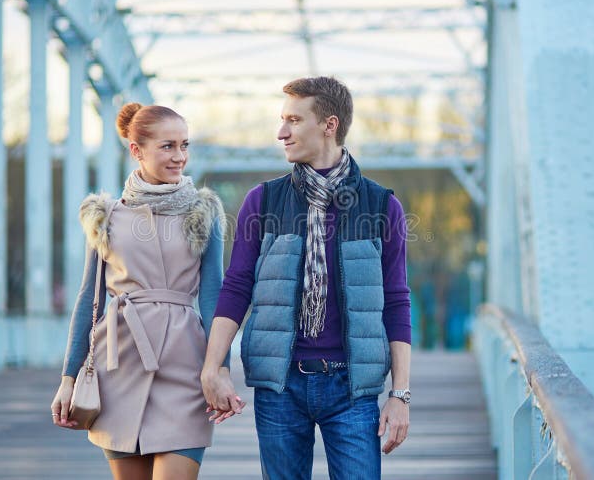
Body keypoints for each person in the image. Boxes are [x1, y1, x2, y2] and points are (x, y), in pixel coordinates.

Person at [200, 76, 412, 479]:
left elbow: (396, 302)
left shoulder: (382, 206)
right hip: (280, 385)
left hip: (353, 387)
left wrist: (399, 395)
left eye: (294, 121)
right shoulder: (262, 201)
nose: (281, 132)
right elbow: (237, 286)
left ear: (329, 125)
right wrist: (214, 366)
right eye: (282, 120)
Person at [51, 103, 230, 480]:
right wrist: (68, 379)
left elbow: (214, 294)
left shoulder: (204, 212)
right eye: (167, 146)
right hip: (118, 365)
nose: (179, 156)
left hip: (185, 367)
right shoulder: (105, 215)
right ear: (137, 150)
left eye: (184, 145)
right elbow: (89, 299)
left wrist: (220, 368)